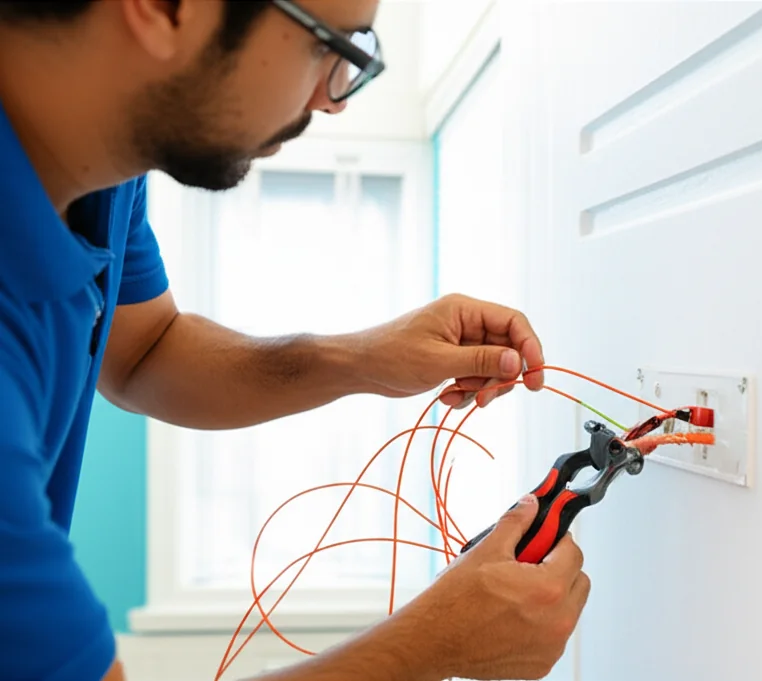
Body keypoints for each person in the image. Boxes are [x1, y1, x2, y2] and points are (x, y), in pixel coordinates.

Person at [0, 1, 590, 679]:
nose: (331, 99)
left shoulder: (98, 162)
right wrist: (437, 641)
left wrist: (361, 357)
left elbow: (144, 350)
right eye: (327, 45)